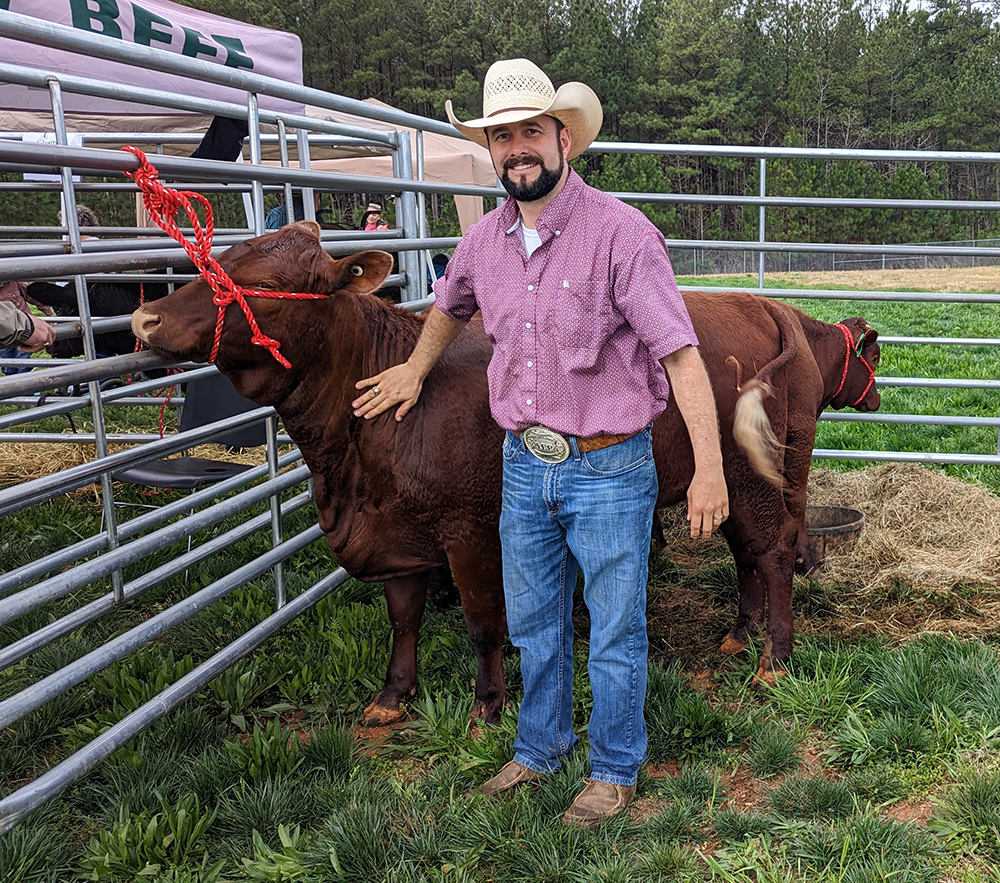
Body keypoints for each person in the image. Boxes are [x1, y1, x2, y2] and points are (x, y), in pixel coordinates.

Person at [350, 58, 728, 829]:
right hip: (523, 461)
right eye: (501, 137)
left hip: (611, 462)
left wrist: (709, 468)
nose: (516, 148)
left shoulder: (623, 235)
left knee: (616, 623)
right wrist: (415, 373)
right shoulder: (483, 241)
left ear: (564, 138)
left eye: (530, 132)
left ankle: (615, 769)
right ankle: (540, 746)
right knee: (533, 619)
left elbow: (681, 355)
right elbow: (449, 308)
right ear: (490, 149)